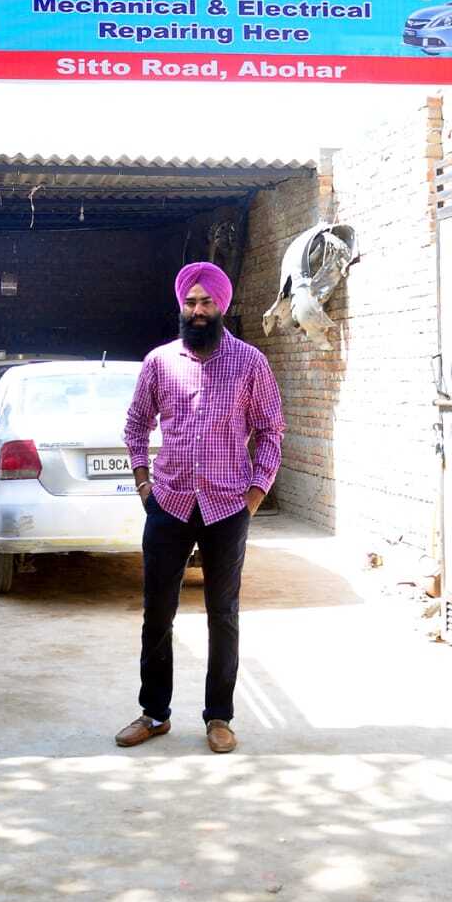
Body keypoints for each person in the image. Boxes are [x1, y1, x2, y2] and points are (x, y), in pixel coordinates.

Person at [117, 261, 285, 754]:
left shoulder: (250, 363)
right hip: (168, 502)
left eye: (206, 301)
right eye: (190, 302)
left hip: (227, 506)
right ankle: (154, 713)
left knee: (223, 614)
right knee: (157, 612)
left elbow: (271, 431)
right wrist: (144, 484)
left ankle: (219, 717)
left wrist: (255, 495)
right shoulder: (159, 362)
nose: (197, 310)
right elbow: (136, 424)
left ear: (221, 306)